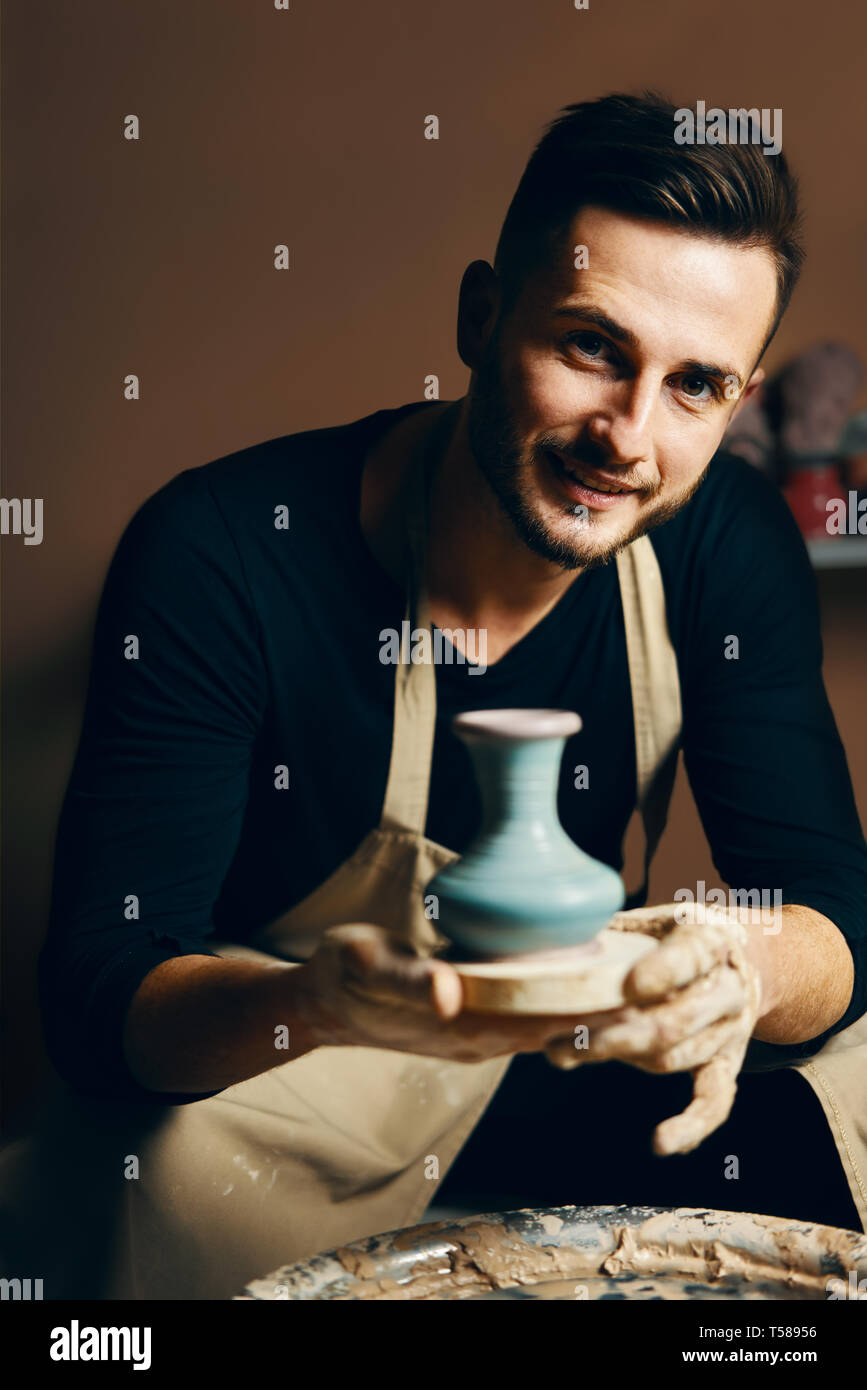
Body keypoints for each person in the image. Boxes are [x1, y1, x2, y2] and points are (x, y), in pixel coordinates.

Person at [3, 91, 865, 1301]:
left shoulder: (727, 542)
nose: (628, 436)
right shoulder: (224, 548)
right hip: (304, 1066)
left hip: (571, 1052)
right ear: (481, 315)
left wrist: (741, 966)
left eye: (696, 387)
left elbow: (836, 914)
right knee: (164, 1167)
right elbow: (101, 999)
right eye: (592, 347)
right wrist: (321, 998)